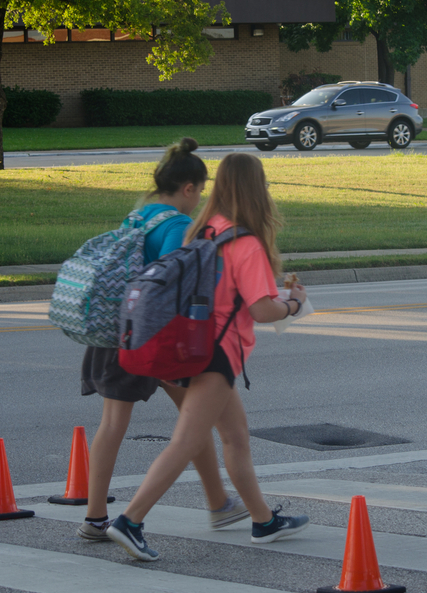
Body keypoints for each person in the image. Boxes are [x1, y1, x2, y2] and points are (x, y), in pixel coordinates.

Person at [106, 152, 309, 561]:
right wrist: (293, 305)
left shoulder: (206, 229)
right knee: (186, 441)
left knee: (235, 437)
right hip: (217, 353)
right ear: (256, 189)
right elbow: (261, 310)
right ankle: (130, 520)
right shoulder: (246, 242)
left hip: (195, 342)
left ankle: (263, 520)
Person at [77, 138, 249, 541]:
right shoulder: (175, 225)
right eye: (200, 190)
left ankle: (95, 516)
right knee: (194, 420)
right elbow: (175, 279)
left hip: (118, 330)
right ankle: (218, 503)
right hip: (155, 338)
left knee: (114, 423)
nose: (201, 198)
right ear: (188, 188)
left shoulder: (139, 216)